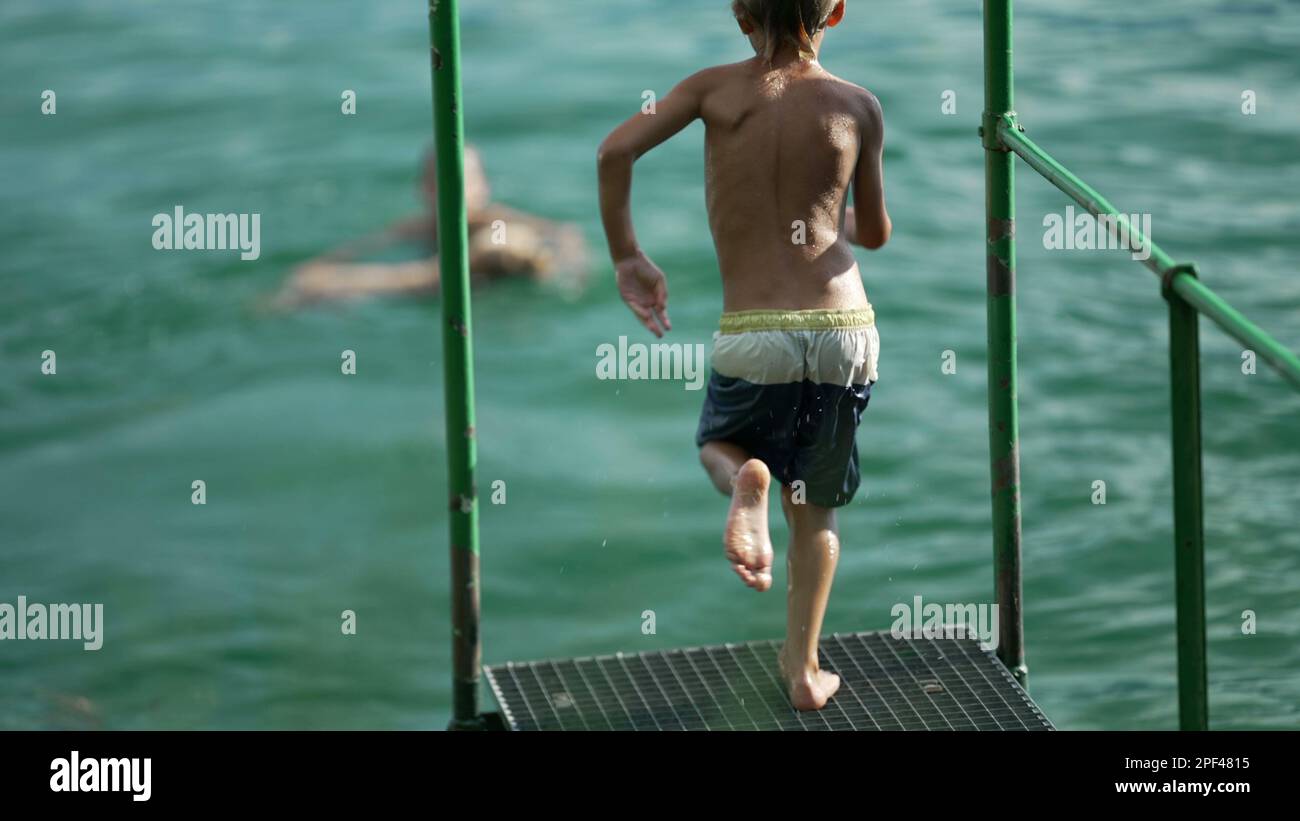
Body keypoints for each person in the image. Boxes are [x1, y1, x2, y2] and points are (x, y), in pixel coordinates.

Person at [596, 0, 890, 711]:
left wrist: (628, 254)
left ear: (738, 14)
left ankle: (742, 480)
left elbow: (614, 153)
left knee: (717, 443)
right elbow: (874, 232)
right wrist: (831, 219)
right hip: (844, 327)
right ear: (839, 11)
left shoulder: (711, 90)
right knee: (816, 511)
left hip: (756, 328)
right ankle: (804, 669)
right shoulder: (859, 105)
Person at [275, 146, 586, 307]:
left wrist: (570, 271)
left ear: (483, 188)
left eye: (463, 182)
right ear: (423, 189)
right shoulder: (416, 228)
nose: (453, 193)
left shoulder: (497, 221)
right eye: (440, 182)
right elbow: (340, 257)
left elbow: (565, 234)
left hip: (487, 284)